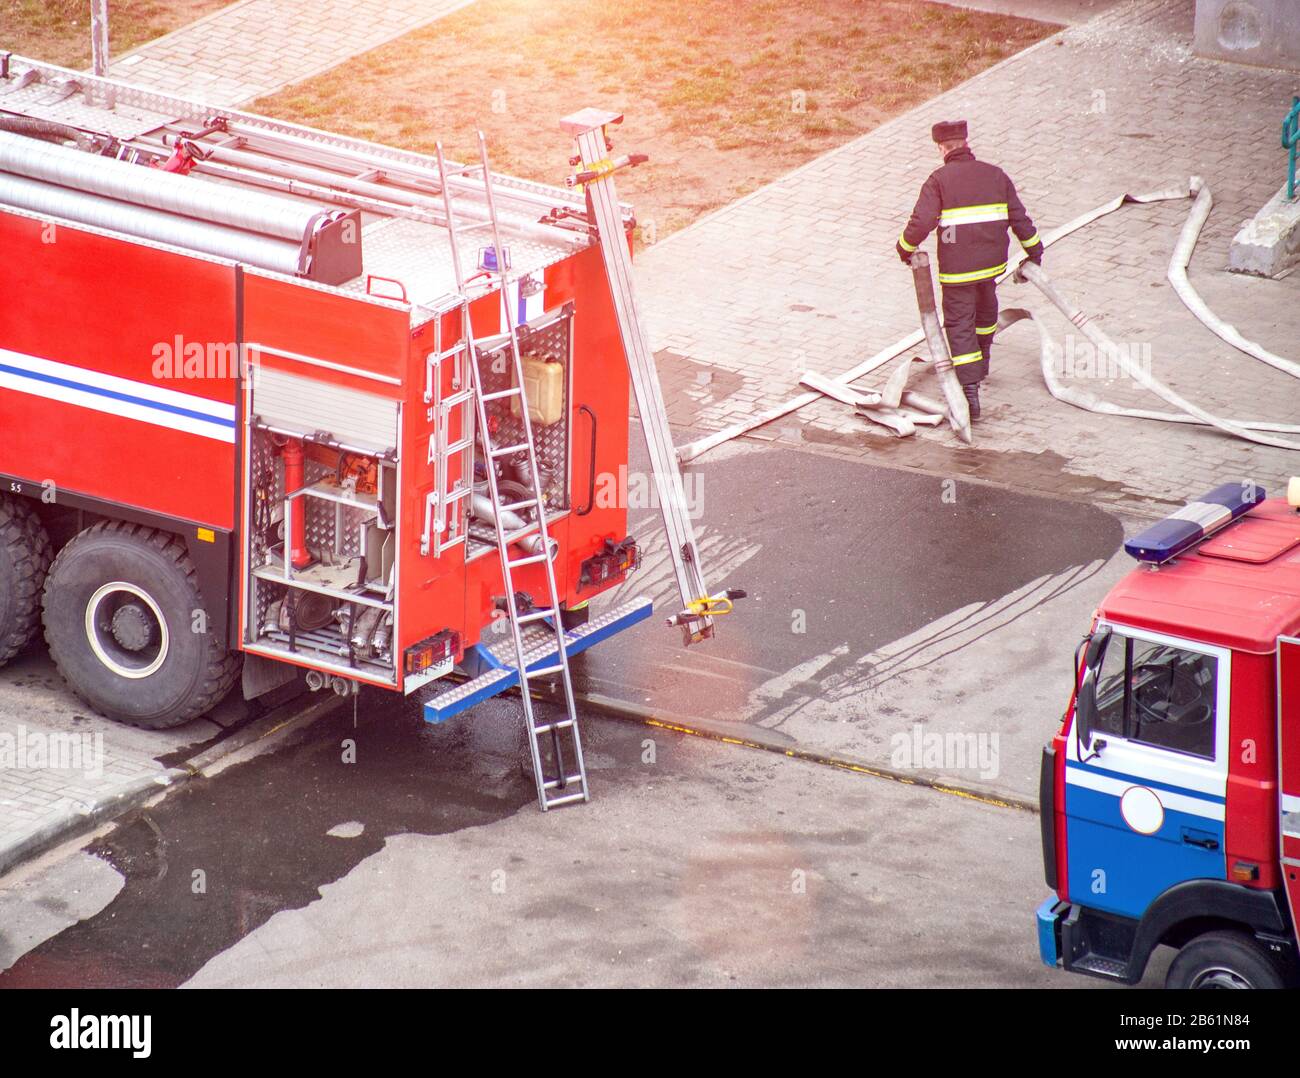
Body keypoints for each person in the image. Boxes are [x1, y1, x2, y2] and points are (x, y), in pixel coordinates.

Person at [896, 120, 1043, 419]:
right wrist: (1034, 252)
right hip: (991, 266)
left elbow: (922, 222)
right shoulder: (996, 175)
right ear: (965, 142)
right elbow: (1020, 219)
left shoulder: (938, 180)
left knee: (960, 325)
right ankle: (983, 362)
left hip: (957, 271)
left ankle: (970, 392)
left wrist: (904, 248)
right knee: (986, 312)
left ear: (941, 148)